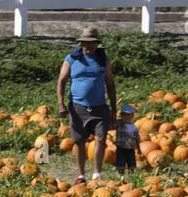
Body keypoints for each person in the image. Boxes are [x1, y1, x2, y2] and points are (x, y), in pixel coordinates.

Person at [57, 27, 117, 183]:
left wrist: (114, 109)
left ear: (97, 44)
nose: (89, 46)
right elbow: (61, 81)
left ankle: (97, 174)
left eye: (92, 44)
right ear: (81, 43)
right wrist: (60, 104)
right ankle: (81, 175)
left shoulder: (103, 59)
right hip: (78, 106)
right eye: (86, 43)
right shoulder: (72, 59)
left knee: (101, 138)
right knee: (79, 141)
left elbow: (110, 84)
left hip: (100, 106)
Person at [115, 103, 140, 174]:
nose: (126, 117)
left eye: (129, 115)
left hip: (130, 148)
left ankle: (131, 172)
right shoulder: (119, 123)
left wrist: (139, 149)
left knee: (131, 160)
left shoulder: (133, 127)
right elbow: (111, 125)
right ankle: (121, 173)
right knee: (120, 160)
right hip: (120, 147)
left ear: (132, 116)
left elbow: (137, 139)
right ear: (121, 115)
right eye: (124, 115)